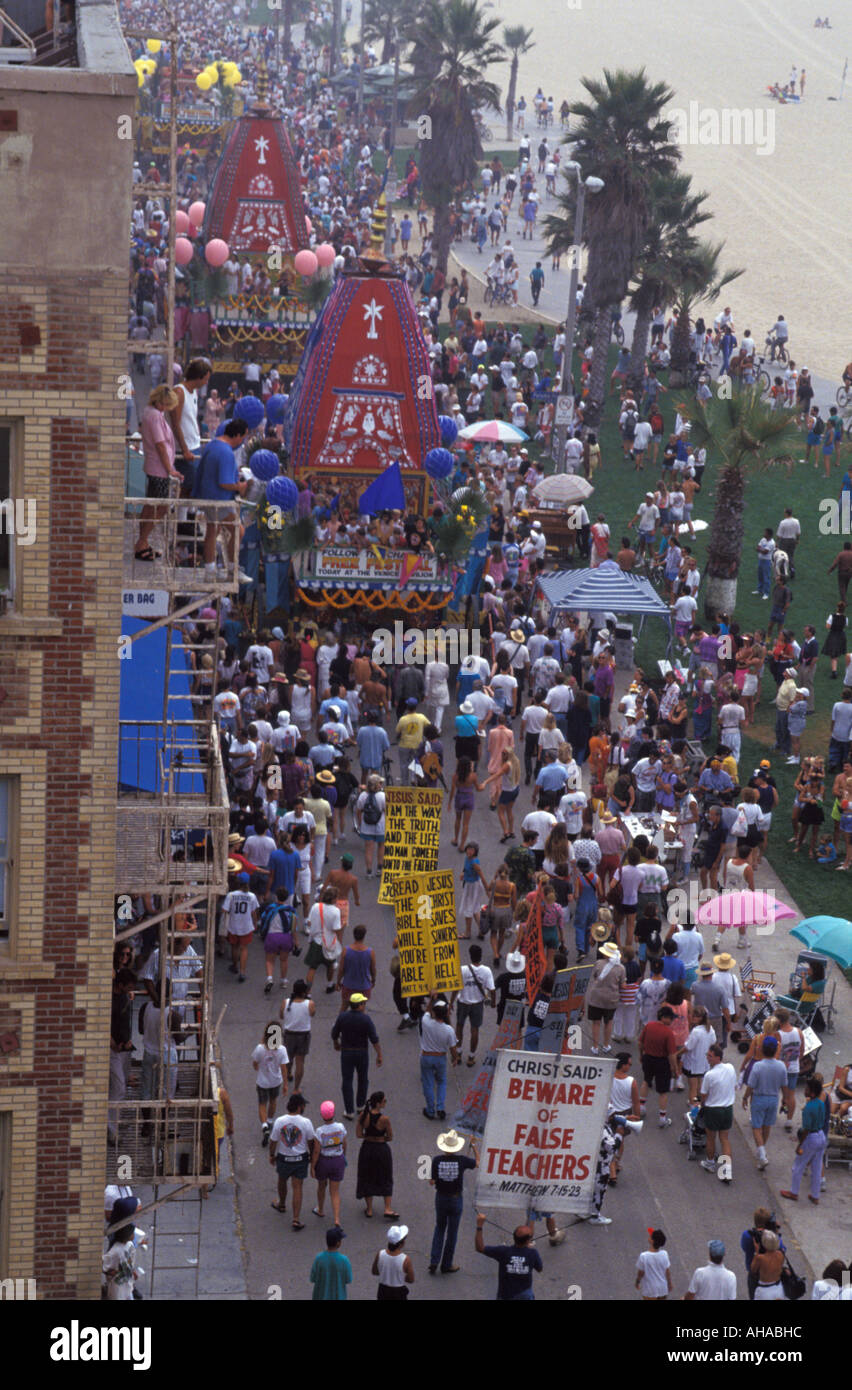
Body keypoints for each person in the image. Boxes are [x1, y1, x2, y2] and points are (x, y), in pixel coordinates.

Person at [429, 1129, 478, 1275]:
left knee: (439, 1228)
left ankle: (434, 1260)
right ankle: (446, 1264)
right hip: (456, 1199)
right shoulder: (462, 1160)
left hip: (441, 1197)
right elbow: (478, 1163)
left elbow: (432, 1181)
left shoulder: (437, 1160)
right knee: (452, 1233)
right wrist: (474, 1146)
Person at [268, 1092, 318, 1230]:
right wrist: (312, 1157)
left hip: (283, 1158)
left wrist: (272, 1155)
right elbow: (311, 1142)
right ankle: (296, 1219)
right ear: (299, 1107)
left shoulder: (279, 1121)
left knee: (282, 1180)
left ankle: (282, 1204)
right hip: (300, 1159)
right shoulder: (306, 1122)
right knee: (297, 1187)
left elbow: (273, 1141)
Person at [331, 994, 382, 1120]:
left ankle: (349, 1111)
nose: (365, 1005)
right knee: (363, 1079)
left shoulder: (342, 1017)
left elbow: (334, 1033)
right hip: (362, 1053)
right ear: (359, 1005)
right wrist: (379, 1054)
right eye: (363, 1003)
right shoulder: (366, 1019)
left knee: (347, 1081)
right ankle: (360, 1105)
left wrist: (336, 1043)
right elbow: (374, 1039)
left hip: (347, 1053)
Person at [741, 1036, 787, 1170]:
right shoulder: (781, 1066)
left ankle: (761, 1153)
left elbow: (751, 1085)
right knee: (767, 1126)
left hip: (759, 1098)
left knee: (756, 1127)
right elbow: (784, 1085)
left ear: (761, 1049)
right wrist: (784, 1099)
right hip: (773, 1099)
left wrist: (745, 1097)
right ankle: (762, 1151)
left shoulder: (758, 1066)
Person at [780, 1076, 829, 1205]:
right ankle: (815, 1195)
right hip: (821, 1135)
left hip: (811, 1137)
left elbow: (806, 1128)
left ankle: (794, 1192)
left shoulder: (808, 1108)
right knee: (817, 1166)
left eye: (807, 1089)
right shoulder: (820, 1103)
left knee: (798, 1165)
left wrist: (799, 1145)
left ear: (812, 1093)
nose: (804, 1090)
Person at [475, 1215, 543, 1300]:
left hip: (505, 1294)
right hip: (524, 1294)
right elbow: (539, 1268)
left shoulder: (503, 1252)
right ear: (527, 1241)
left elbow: (480, 1248)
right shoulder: (532, 1253)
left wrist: (479, 1226)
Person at [698, 1043, 737, 1180]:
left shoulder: (709, 1075)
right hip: (728, 1109)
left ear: (718, 1057)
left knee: (710, 1137)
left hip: (713, 1110)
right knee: (724, 1139)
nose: (708, 1058)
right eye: (707, 1055)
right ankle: (726, 1171)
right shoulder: (730, 1068)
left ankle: (710, 1163)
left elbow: (703, 1095)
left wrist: (702, 1105)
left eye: (710, 1056)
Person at [419, 998, 460, 1119]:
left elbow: (426, 1012)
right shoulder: (449, 1030)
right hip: (440, 1058)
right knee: (442, 1082)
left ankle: (430, 1110)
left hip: (426, 1056)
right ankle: (440, 1107)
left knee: (428, 1083)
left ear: (434, 1012)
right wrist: (455, 1058)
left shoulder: (426, 1022)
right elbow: (453, 1047)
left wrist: (431, 999)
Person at [455, 943, 495, 1066]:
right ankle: (471, 1057)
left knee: (459, 1027)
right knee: (475, 1029)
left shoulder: (462, 970)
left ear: (470, 956)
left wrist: (451, 1003)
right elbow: (492, 989)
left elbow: (455, 988)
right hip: (477, 1004)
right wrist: (493, 1002)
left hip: (463, 1002)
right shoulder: (486, 971)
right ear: (481, 956)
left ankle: (458, 1052)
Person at [638, 1005, 678, 1126]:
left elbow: (640, 1042)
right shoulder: (668, 1033)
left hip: (648, 1058)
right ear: (665, 1018)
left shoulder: (649, 1026)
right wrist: (675, 1068)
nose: (672, 1021)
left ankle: (641, 1107)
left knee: (646, 1081)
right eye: (671, 1018)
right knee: (663, 1091)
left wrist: (641, 1055)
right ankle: (662, 1118)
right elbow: (672, 1054)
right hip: (662, 1062)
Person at [252, 1023, 289, 1147]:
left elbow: (255, 1064)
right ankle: (270, 1120)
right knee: (273, 1100)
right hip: (276, 1081)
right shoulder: (282, 1050)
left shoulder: (260, 1048)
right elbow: (284, 1068)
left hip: (262, 1082)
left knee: (262, 1104)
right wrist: (285, 1085)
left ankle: (264, 1126)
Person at [309, 1226, 352, 1301]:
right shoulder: (344, 1260)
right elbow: (348, 1279)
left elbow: (313, 1278)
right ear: (338, 1243)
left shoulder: (319, 1258)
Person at [373, 1225, 415, 1300]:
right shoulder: (405, 1260)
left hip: (382, 1291)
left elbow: (375, 1271)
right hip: (398, 1293)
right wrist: (400, 1277)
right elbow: (411, 1279)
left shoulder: (380, 1254)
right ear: (401, 1244)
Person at [635, 1229, 673, 1300]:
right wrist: (669, 1283)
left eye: (650, 1236)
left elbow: (641, 1273)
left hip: (650, 1289)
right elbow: (667, 1271)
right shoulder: (664, 1254)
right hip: (662, 1288)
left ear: (652, 1241)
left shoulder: (644, 1256)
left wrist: (637, 1282)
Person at [750, 1229, 787, 1301]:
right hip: (778, 1288)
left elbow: (753, 1269)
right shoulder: (780, 1254)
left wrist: (756, 1252)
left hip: (764, 1291)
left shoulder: (760, 1258)